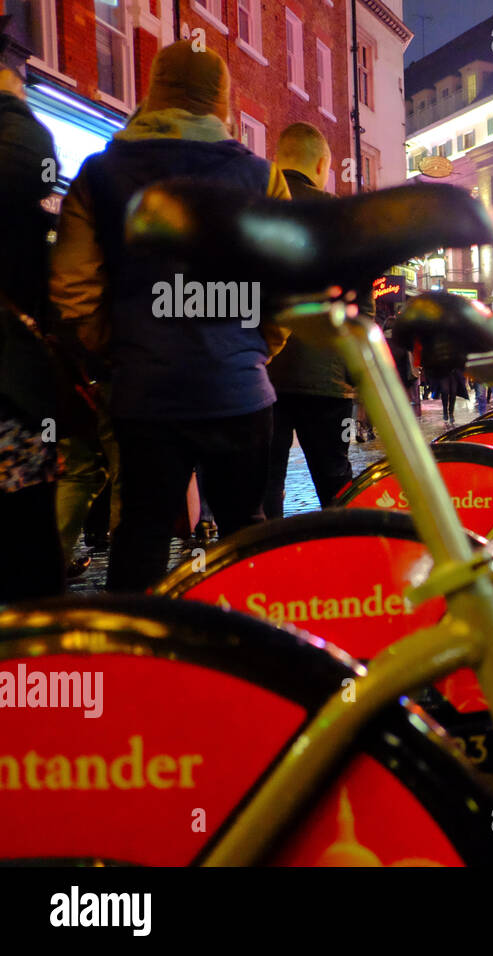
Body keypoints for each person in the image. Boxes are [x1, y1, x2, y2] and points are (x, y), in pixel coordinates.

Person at [49, 41, 292, 592]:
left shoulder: (101, 174)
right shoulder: (261, 178)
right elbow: (285, 289)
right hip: (239, 393)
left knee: (142, 533)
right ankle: (255, 658)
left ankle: (136, 668)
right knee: (246, 532)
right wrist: (254, 349)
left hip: (146, 393)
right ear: (222, 102)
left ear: (153, 92)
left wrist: (121, 349)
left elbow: (72, 287)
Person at [261, 122, 354, 519]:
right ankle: (348, 561)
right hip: (327, 378)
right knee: (337, 483)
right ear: (321, 165)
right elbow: (359, 303)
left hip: (265, 375)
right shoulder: (340, 217)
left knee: (265, 484)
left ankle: (268, 565)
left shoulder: (258, 210)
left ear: (276, 160)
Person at [0, 66, 63, 601]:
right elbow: (30, 164)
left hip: (18, 392)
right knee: (29, 561)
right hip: (10, 393)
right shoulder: (18, 135)